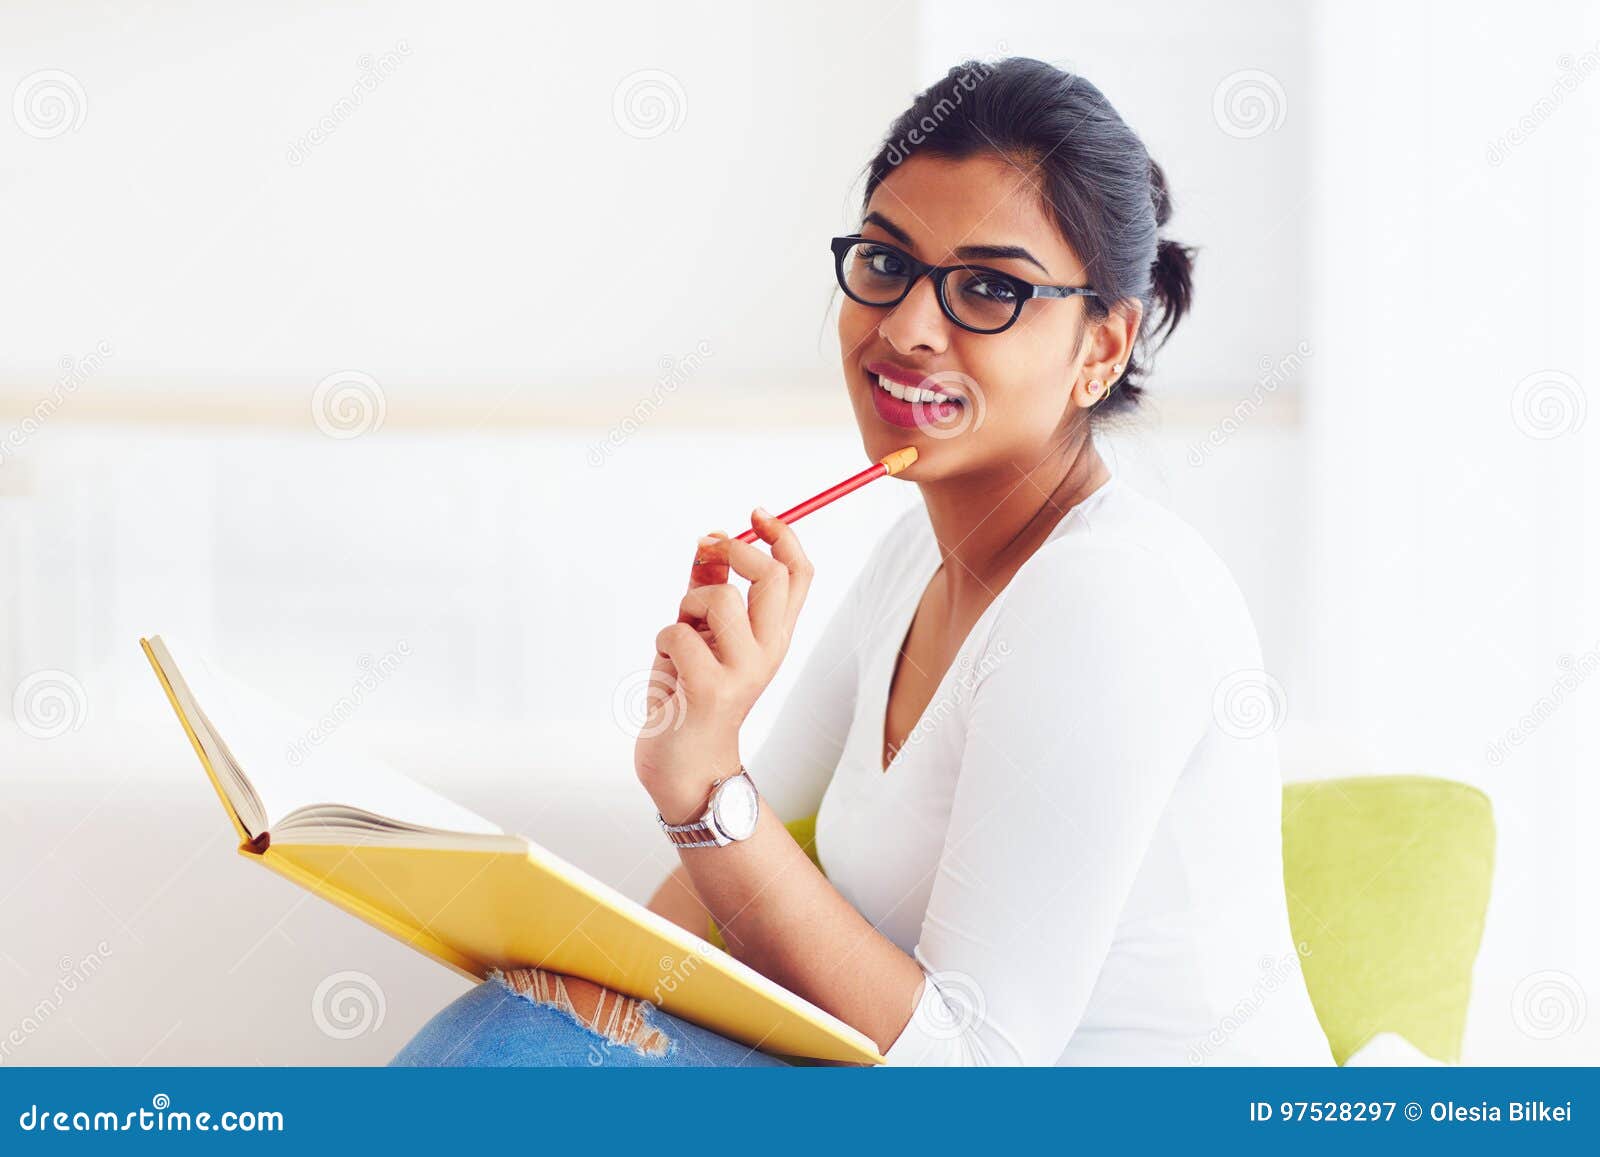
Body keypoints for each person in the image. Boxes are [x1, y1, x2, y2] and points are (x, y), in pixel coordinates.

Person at [392, 55, 1331, 1068]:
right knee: (519, 1030)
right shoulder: (914, 556)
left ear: (1101, 347)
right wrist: (585, 958)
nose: (905, 328)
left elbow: (976, 1070)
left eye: (987, 288)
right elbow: (698, 907)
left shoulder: (1109, 596)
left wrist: (704, 788)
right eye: (886, 263)